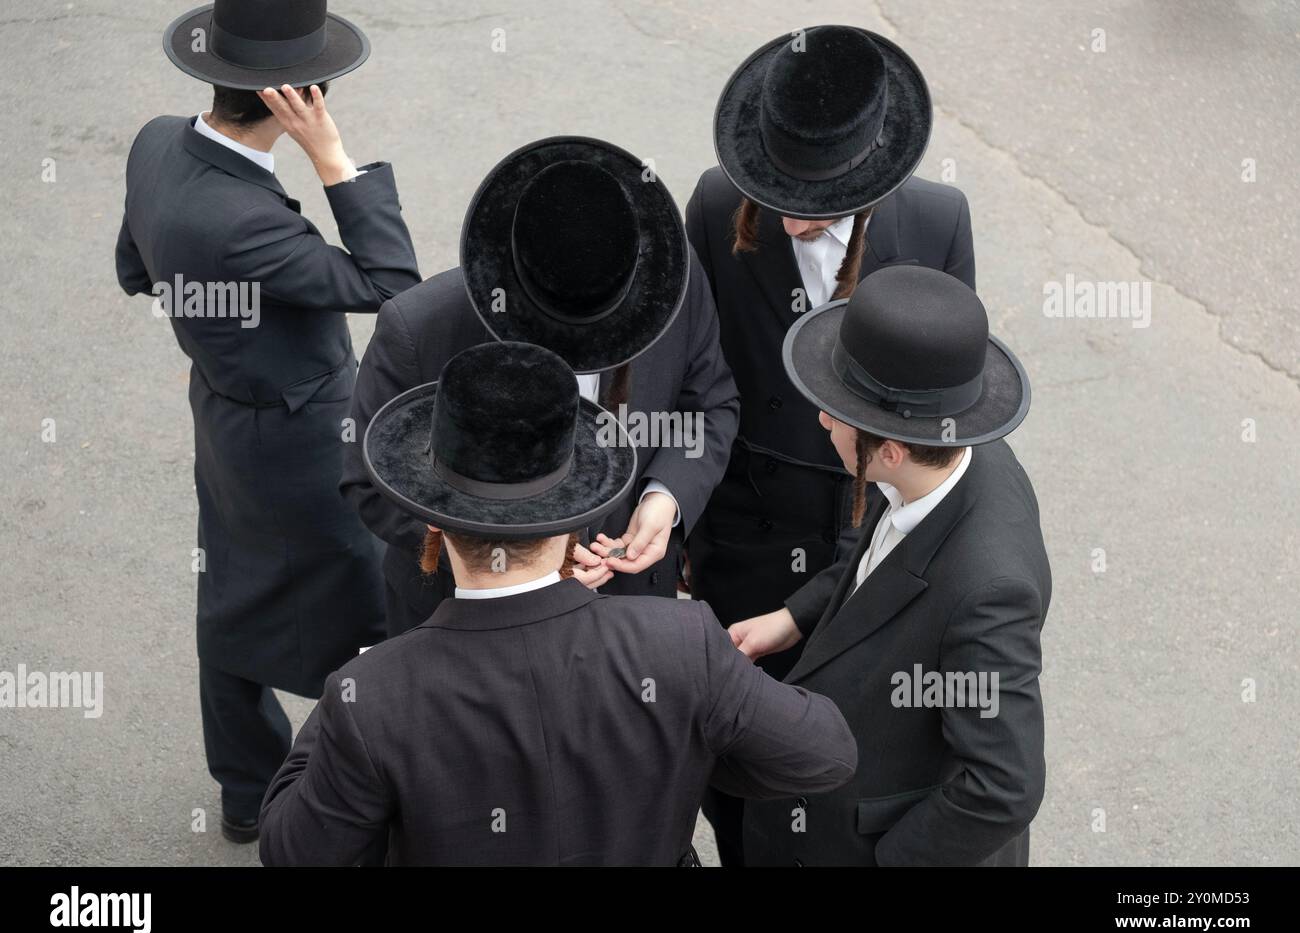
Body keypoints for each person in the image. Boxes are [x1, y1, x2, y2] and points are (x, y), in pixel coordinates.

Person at [259, 341, 856, 865]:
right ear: (576, 511)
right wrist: (685, 748)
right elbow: (825, 756)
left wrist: (343, 698)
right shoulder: (685, 646)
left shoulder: (372, 698)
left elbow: (293, 851)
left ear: (432, 528)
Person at [114, 0, 419, 843]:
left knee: (232, 599)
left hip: (222, 416)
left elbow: (133, 267)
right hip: (305, 440)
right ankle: (375, 792)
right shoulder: (246, 221)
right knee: (367, 613)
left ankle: (248, 792)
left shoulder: (153, 142)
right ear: (302, 98)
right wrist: (334, 164)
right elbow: (394, 287)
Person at [686, 23, 977, 865]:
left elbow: (941, 407)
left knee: (851, 756)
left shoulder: (939, 220)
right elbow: (701, 376)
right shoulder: (713, 203)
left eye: (811, 204)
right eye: (774, 193)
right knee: (740, 763)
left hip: (867, 526)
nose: (787, 220)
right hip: (746, 529)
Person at [341, 137, 738, 636]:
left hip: (627, 610)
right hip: (463, 624)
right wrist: (517, 564)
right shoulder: (417, 329)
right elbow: (368, 481)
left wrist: (665, 499)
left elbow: (708, 406)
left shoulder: (675, 287)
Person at [733, 265, 1050, 866]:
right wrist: (793, 618)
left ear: (892, 449)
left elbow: (1003, 787)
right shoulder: (947, 459)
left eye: (837, 413)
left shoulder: (989, 591)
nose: (823, 419)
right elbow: (881, 554)